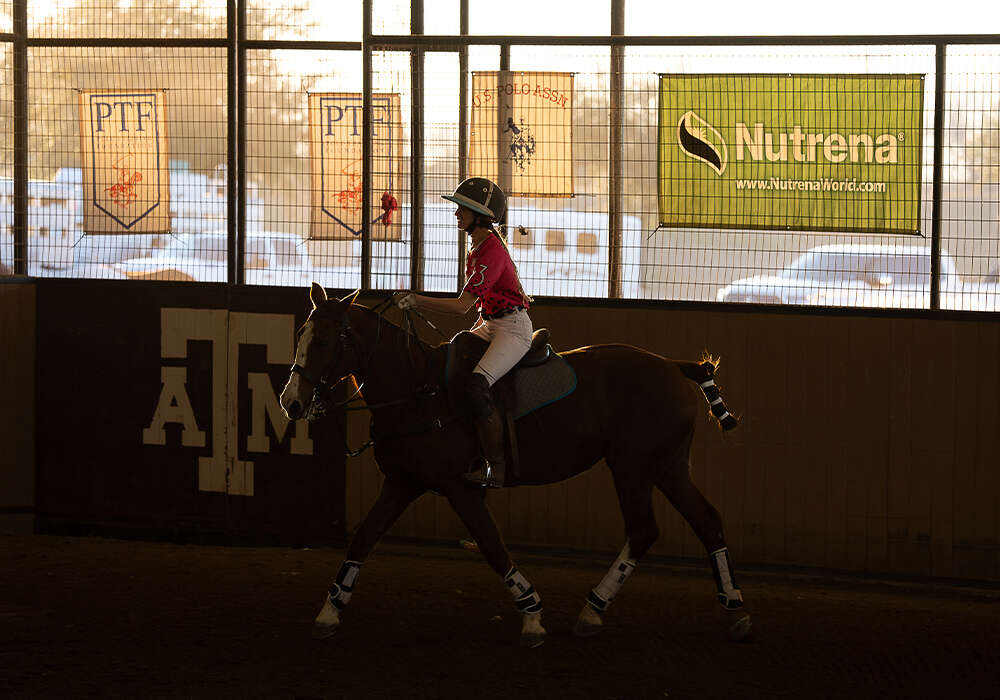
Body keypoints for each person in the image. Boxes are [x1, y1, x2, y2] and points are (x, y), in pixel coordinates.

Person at [396, 177, 533, 488]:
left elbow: (461, 307)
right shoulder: (480, 245)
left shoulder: (490, 251)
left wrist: (416, 299)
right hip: (491, 323)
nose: (457, 213)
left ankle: (496, 467)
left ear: (479, 215)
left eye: (463, 208)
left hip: (512, 329)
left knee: (476, 385)